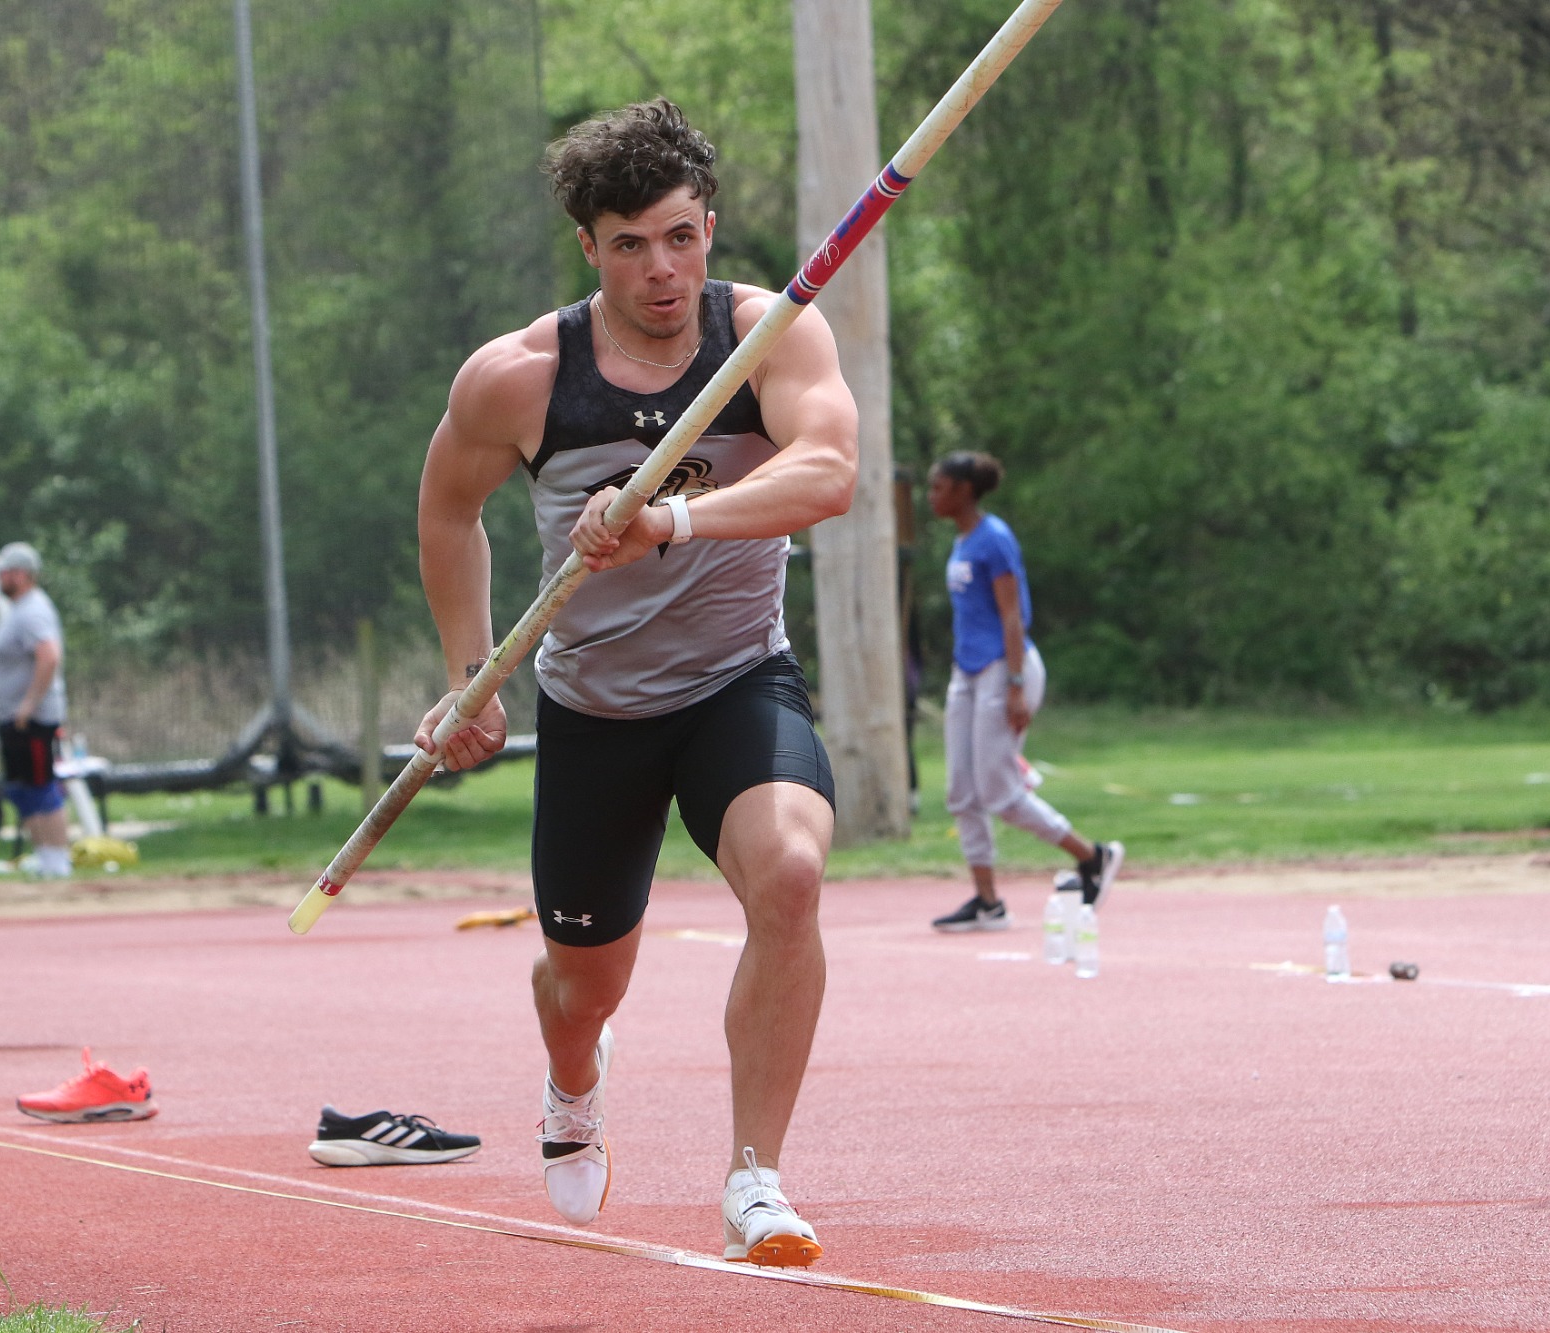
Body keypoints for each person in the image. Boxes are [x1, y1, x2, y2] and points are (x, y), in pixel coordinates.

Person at [410, 100, 855, 1268]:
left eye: (679, 237)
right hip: (596, 710)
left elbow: (826, 471)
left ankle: (754, 1179)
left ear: (708, 227)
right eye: (628, 244)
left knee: (793, 875)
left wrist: (671, 519)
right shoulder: (519, 378)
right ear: (587, 248)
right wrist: (469, 676)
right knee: (582, 988)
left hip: (734, 683)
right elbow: (448, 511)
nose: (660, 271)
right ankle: (571, 1082)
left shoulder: (766, 337)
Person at [925, 452, 1121, 931]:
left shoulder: (994, 538)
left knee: (998, 793)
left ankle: (1092, 856)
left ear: (965, 491)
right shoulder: (963, 539)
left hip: (1003, 669)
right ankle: (988, 902)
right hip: (967, 672)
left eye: (939, 487)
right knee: (960, 792)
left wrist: (1015, 686)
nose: (931, 496)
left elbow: (1012, 616)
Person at [0, 542, 70, 878]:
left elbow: (48, 657)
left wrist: (28, 705)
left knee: (40, 784)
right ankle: (44, 855)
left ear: (20, 574)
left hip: (31, 719)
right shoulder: (19, 610)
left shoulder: (34, 611)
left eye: (4, 571)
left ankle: (57, 861)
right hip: (14, 716)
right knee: (20, 788)